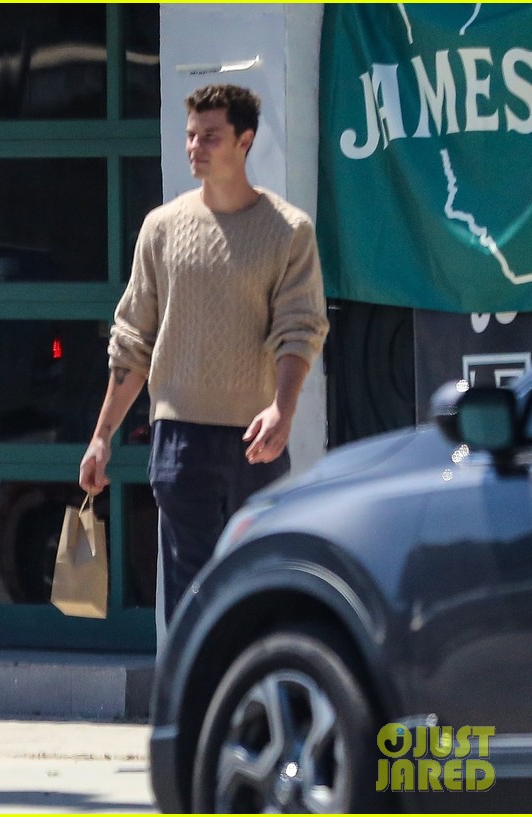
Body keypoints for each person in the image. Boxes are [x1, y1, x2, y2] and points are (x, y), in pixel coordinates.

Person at [78, 84, 329, 641]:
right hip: (179, 440)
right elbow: (132, 340)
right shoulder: (161, 229)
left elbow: (299, 330)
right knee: (192, 597)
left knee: (258, 587)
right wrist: (101, 437)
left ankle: (256, 709)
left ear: (245, 140)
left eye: (209, 137)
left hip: (255, 443)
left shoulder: (289, 232)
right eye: (190, 135)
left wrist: (282, 412)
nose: (195, 147)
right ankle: (197, 719)